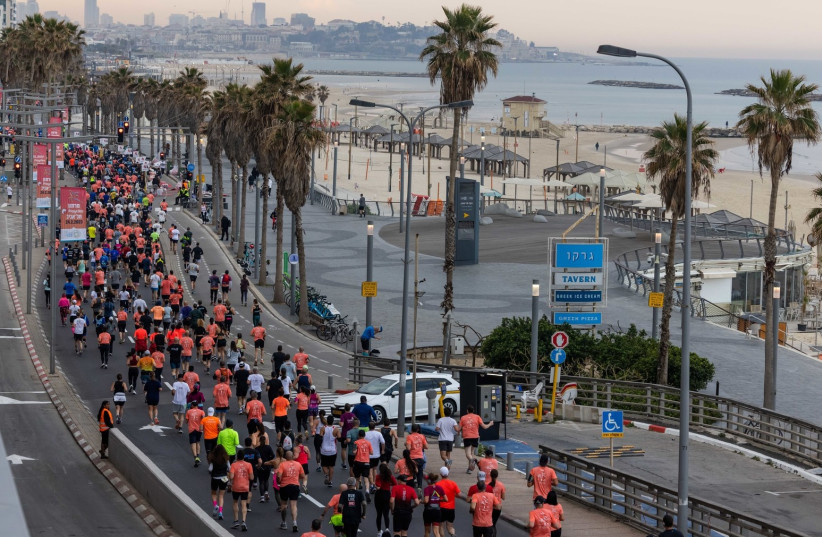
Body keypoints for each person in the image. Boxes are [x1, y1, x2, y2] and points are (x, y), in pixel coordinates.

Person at [458, 405, 494, 473]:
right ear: (473, 410)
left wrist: (456, 430)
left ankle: (474, 461)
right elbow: (484, 427)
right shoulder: (477, 417)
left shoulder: (463, 418)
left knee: (468, 454)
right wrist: (490, 424)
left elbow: (458, 428)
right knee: (471, 453)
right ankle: (470, 469)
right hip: (475, 436)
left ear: (467, 411)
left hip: (467, 436)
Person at [277, 450, 306, 533]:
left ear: (285, 457)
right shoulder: (298, 464)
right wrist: (296, 478)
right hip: (295, 486)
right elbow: (303, 476)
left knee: (283, 505)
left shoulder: (282, 464)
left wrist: (279, 481)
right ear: (293, 456)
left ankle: (284, 523)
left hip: (284, 486)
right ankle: (294, 523)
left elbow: (279, 476)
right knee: (293, 505)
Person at [228, 448, 253, 531]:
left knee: (235, 502)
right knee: (244, 504)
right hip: (245, 487)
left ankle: (236, 521)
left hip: (236, 487)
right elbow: (252, 477)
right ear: (244, 457)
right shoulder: (249, 465)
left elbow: (231, 476)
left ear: (237, 457)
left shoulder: (233, 465)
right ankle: (243, 521)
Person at [437, 466, 460, 537]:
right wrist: (453, 495)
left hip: (441, 507)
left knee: (441, 526)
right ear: (448, 473)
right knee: (450, 526)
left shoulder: (438, 484)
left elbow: (436, 497)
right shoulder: (453, 483)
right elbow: (459, 494)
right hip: (451, 508)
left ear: (440, 474)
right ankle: (452, 534)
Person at [374, 462, 396, 534]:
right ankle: (387, 528)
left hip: (379, 495)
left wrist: (375, 485)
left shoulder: (378, 476)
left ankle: (379, 531)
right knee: (386, 514)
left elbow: (378, 486)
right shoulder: (390, 476)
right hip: (387, 494)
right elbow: (395, 483)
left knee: (379, 514)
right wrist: (389, 484)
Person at [423, 472, 447, 537]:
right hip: (437, 511)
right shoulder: (440, 488)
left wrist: (421, 501)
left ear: (429, 480)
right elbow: (446, 499)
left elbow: (426, 501)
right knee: (436, 532)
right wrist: (438, 500)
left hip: (428, 511)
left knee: (427, 531)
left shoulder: (427, 489)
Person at [406, 423, 428, 490]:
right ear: (418, 429)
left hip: (412, 458)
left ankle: (411, 489)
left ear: (411, 429)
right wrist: (420, 446)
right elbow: (426, 447)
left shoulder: (409, 437)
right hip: (420, 457)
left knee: (411, 473)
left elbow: (408, 448)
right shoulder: (422, 436)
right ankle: (419, 487)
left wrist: (407, 445)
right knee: (420, 473)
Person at [320, 415, 341, 487]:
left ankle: (326, 474)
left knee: (323, 465)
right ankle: (330, 481)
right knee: (331, 466)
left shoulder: (323, 428)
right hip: (332, 450)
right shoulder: (336, 429)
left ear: (327, 421)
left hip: (324, 450)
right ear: (333, 421)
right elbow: (339, 438)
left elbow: (320, 437)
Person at [186, 403, 205, 467]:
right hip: (199, 429)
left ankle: (195, 457)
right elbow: (203, 418)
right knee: (198, 442)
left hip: (191, 429)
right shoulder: (201, 411)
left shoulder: (189, 411)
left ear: (192, 405)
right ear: (197, 405)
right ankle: (198, 456)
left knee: (193, 444)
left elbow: (186, 421)